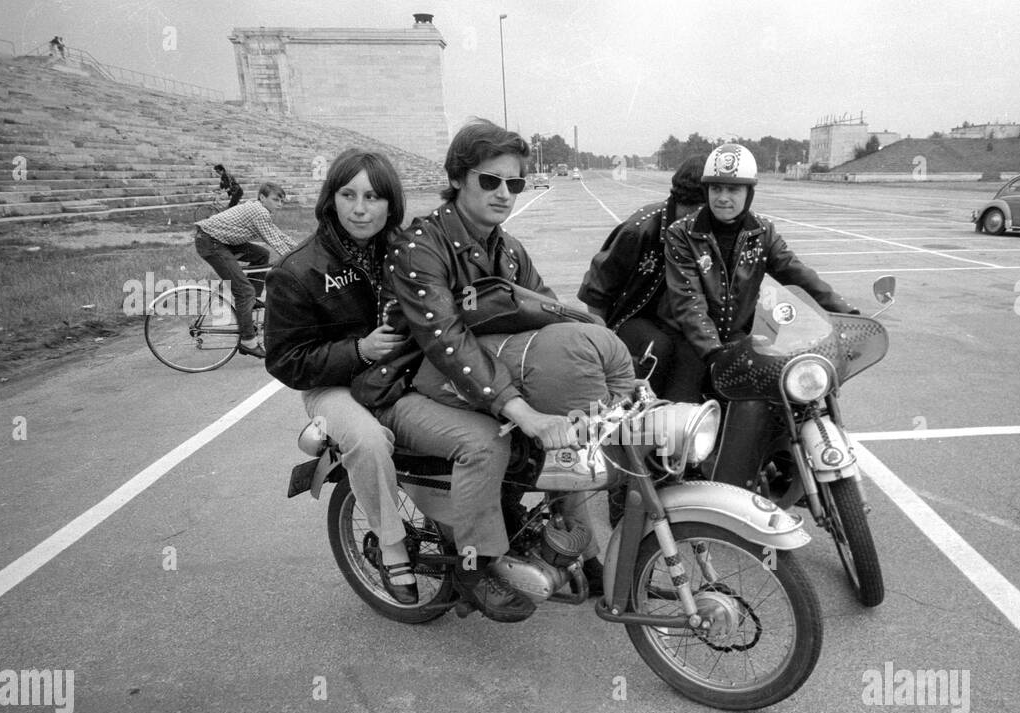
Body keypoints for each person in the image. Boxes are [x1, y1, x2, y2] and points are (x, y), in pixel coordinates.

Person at [355, 118, 595, 623]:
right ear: (460, 176)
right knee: (488, 441)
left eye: (515, 183)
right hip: (406, 388)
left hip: (472, 386)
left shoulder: (509, 250)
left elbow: (548, 315)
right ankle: (474, 565)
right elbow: (446, 340)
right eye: (491, 180)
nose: (504, 193)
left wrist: (592, 343)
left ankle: (577, 548)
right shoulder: (419, 244)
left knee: (570, 432)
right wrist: (519, 409)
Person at [264, 149, 420, 603]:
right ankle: (391, 550)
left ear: (391, 203)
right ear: (330, 199)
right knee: (369, 442)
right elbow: (285, 359)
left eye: (372, 196)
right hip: (330, 387)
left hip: (400, 375)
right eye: (347, 194)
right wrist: (358, 350)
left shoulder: (407, 252)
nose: (359, 208)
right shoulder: (297, 270)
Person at [661, 143, 860, 401]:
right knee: (684, 419)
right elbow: (688, 302)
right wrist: (712, 351)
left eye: (733, 189)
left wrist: (846, 313)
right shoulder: (682, 234)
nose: (723, 197)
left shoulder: (762, 231)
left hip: (740, 338)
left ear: (748, 193)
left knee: (775, 406)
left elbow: (797, 273)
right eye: (716, 188)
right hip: (689, 341)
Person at [577, 156, 704, 392]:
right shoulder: (639, 230)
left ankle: (685, 419)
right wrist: (605, 348)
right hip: (630, 318)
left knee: (696, 351)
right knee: (657, 348)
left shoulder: (712, 230)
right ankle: (640, 411)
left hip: (678, 320)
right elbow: (597, 291)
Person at [195, 181, 294, 358]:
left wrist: (300, 249)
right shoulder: (259, 212)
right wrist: (296, 260)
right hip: (211, 243)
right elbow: (276, 241)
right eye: (275, 200)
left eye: (281, 201)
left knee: (261, 255)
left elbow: (278, 234)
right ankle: (248, 341)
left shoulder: (260, 210)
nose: (279, 205)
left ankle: (251, 300)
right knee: (244, 292)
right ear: (262, 197)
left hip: (219, 240)